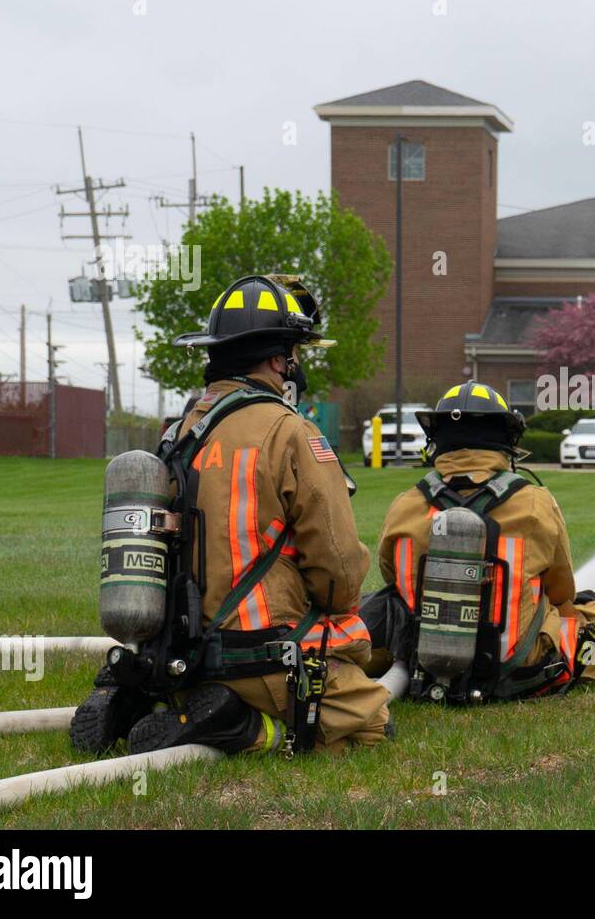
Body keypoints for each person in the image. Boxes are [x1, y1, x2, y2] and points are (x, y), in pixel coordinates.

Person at [71, 274, 392, 756]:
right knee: (371, 724)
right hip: (265, 660)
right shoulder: (292, 433)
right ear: (278, 359)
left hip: (180, 654)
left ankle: (150, 697)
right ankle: (242, 727)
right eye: (295, 355)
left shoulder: (178, 434)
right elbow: (339, 575)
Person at [358, 380, 595, 703]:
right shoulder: (534, 503)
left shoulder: (405, 506)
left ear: (437, 441)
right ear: (506, 440)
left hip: (424, 668)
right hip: (521, 669)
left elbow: (394, 582)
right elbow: (561, 592)